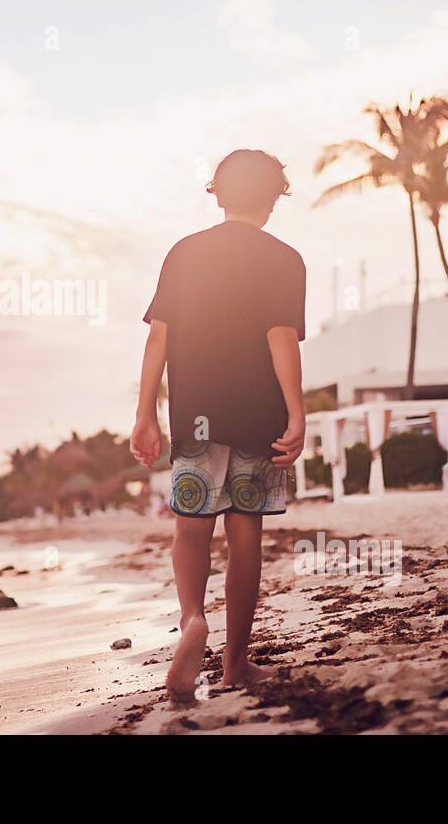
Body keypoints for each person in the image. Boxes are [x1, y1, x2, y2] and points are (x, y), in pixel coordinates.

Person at [130, 149, 306, 704]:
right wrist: (296, 411)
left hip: (195, 415)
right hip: (258, 415)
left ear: (218, 193)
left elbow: (158, 337)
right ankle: (235, 665)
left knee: (191, 526)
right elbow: (281, 339)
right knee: (246, 533)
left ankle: (191, 620)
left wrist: (145, 413)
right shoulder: (284, 258)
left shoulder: (185, 253)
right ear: (275, 198)